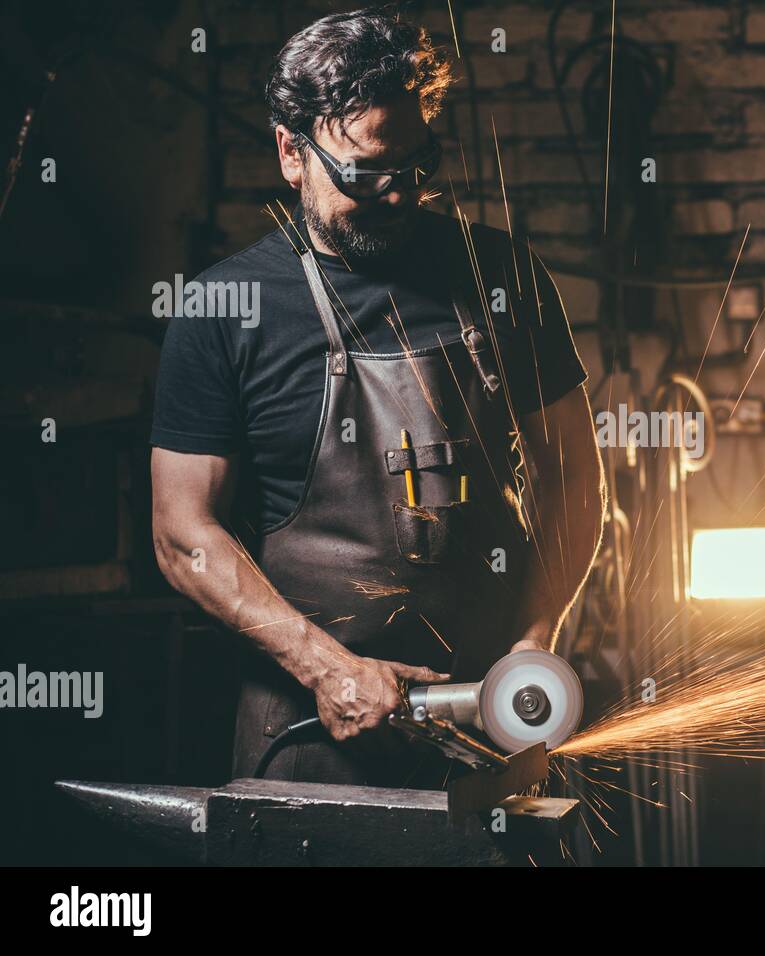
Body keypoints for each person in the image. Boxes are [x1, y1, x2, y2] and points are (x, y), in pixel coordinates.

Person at [149, 8, 604, 785]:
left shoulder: (502, 277)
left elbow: (575, 480)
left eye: (416, 166)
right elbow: (183, 534)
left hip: (491, 732)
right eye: (364, 176)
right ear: (291, 153)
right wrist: (327, 667)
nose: (396, 196)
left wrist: (536, 637)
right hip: (308, 741)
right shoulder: (225, 310)